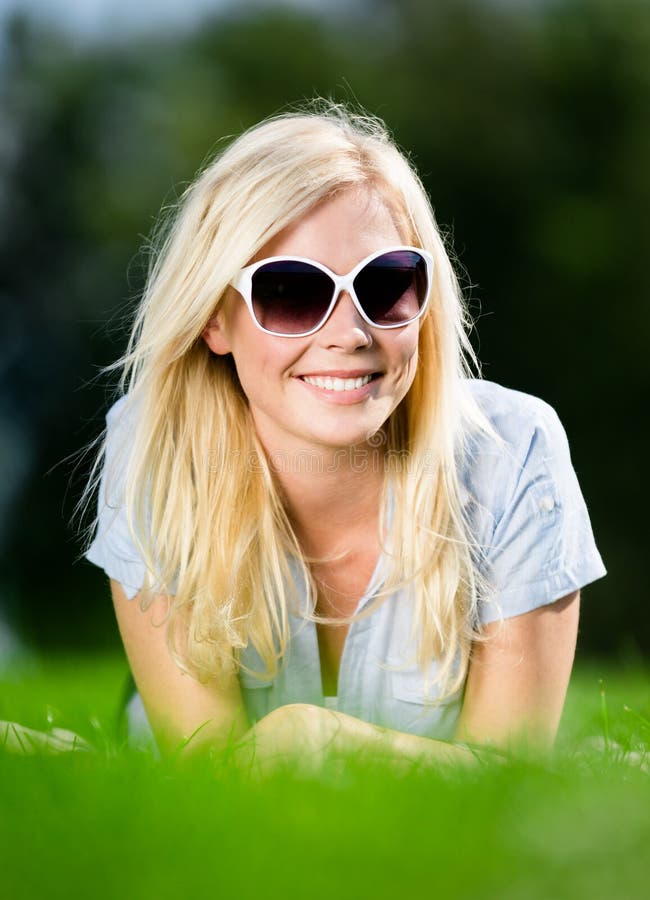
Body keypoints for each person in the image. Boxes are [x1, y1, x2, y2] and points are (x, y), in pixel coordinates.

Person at [82, 102, 606, 775]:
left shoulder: (516, 454)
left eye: (385, 284)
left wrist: (314, 739)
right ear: (214, 321)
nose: (350, 333)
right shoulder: (154, 446)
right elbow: (208, 776)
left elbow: (508, 778)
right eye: (292, 293)